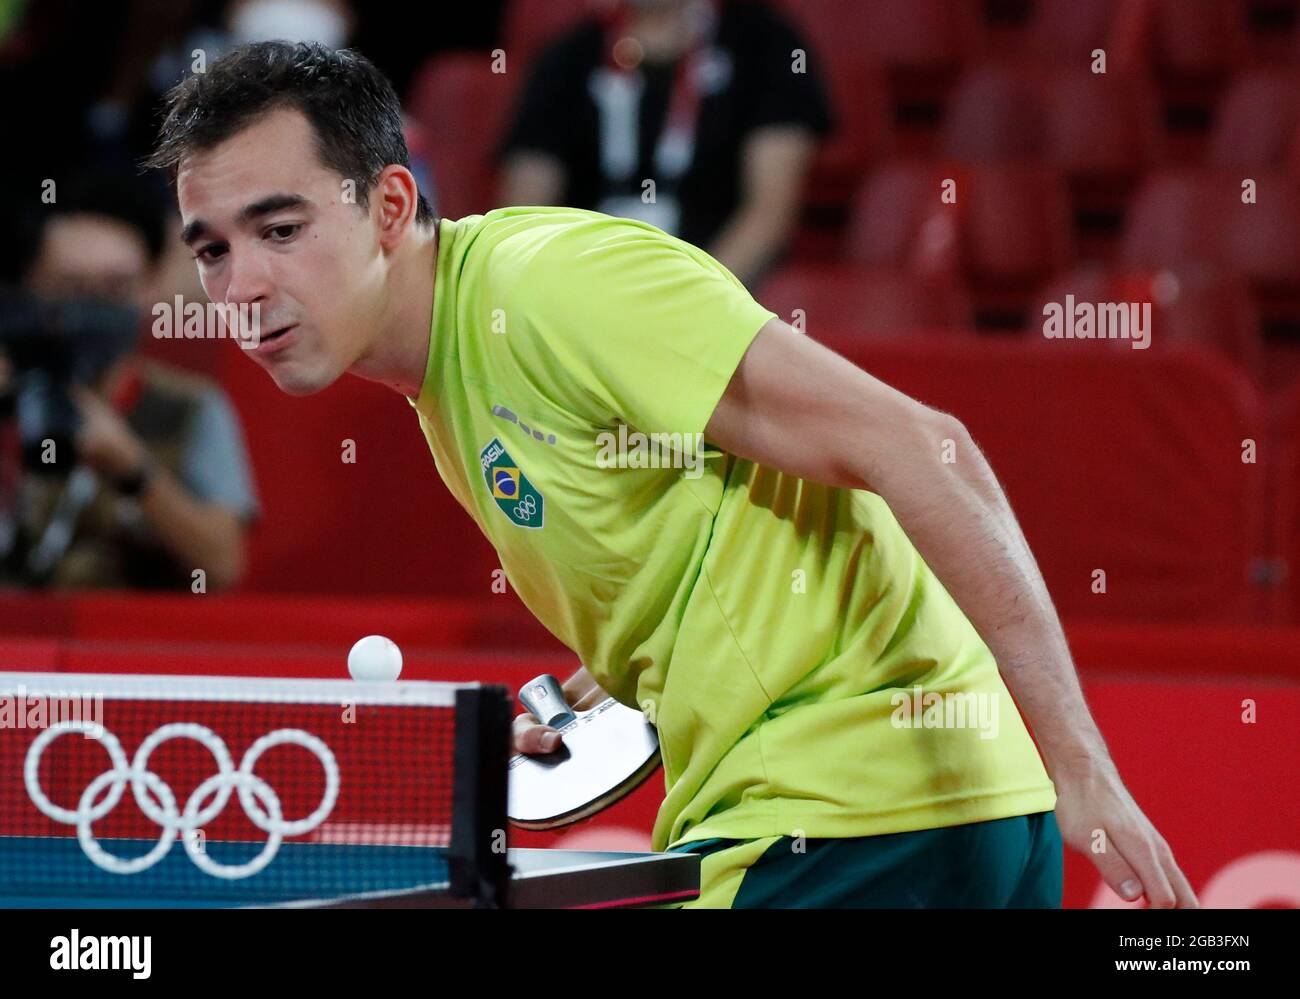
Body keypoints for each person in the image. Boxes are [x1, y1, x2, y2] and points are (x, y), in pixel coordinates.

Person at [146, 41, 1198, 908]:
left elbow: (930, 449)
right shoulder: (447, 377)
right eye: (213, 250)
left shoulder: (553, 288)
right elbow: (718, 554)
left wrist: (1086, 770)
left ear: (386, 205)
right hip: (935, 819)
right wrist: (577, 700)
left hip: (846, 820)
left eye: (280, 230)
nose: (244, 284)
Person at [0, 173, 257, 590]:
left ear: (150, 285)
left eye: (115, 287)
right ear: (32, 283)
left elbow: (221, 567)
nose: (90, 307)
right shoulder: (11, 395)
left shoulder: (189, 407)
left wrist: (132, 469)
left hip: (131, 640)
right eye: (69, 286)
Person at [497, 0, 831, 289]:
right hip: (590, 293)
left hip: (724, 293)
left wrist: (697, 299)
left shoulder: (766, 44)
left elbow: (769, 214)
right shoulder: (566, 57)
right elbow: (525, 219)